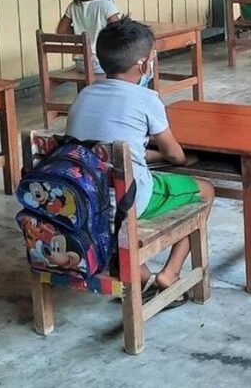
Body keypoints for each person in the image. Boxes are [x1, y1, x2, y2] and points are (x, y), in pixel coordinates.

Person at [65, 19, 213, 304]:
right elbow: (174, 154)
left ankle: (141, 276)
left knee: (127, 198)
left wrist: (150, 156)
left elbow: (110, 150)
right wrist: (185, 159)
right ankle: (169, 274)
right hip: (128, 201)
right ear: (144, 64)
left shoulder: (84, 95)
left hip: (84, 198)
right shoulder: (147, 98)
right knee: (205, 190)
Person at [55, 0, 122, 76]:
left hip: (81, 64)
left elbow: (61, 31)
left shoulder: (74, 6)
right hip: (102, 63)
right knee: (136, 65)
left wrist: (81, 31)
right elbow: (119, 33)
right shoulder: (107, 6)